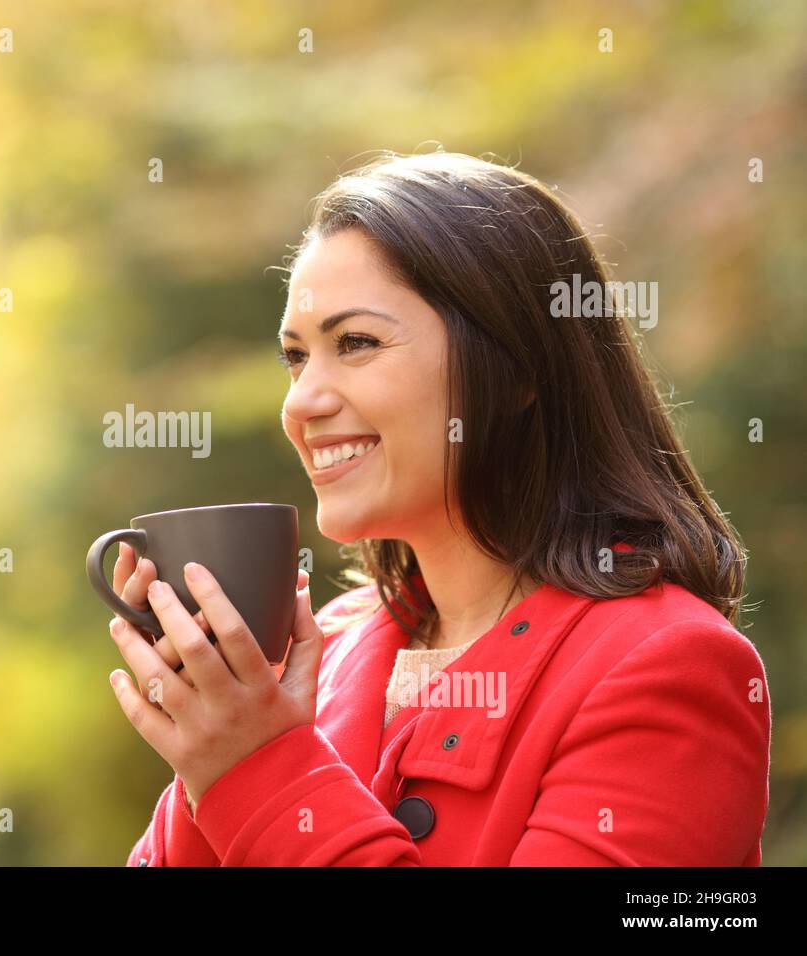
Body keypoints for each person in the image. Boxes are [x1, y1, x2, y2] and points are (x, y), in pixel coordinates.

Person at [105, 151, 771, 866]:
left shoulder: (667, 668)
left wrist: (257, 767)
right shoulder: (321, 652)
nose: (301, 403)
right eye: (296, 358)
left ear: (517, 370)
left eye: (355, 343)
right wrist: (208, 740)